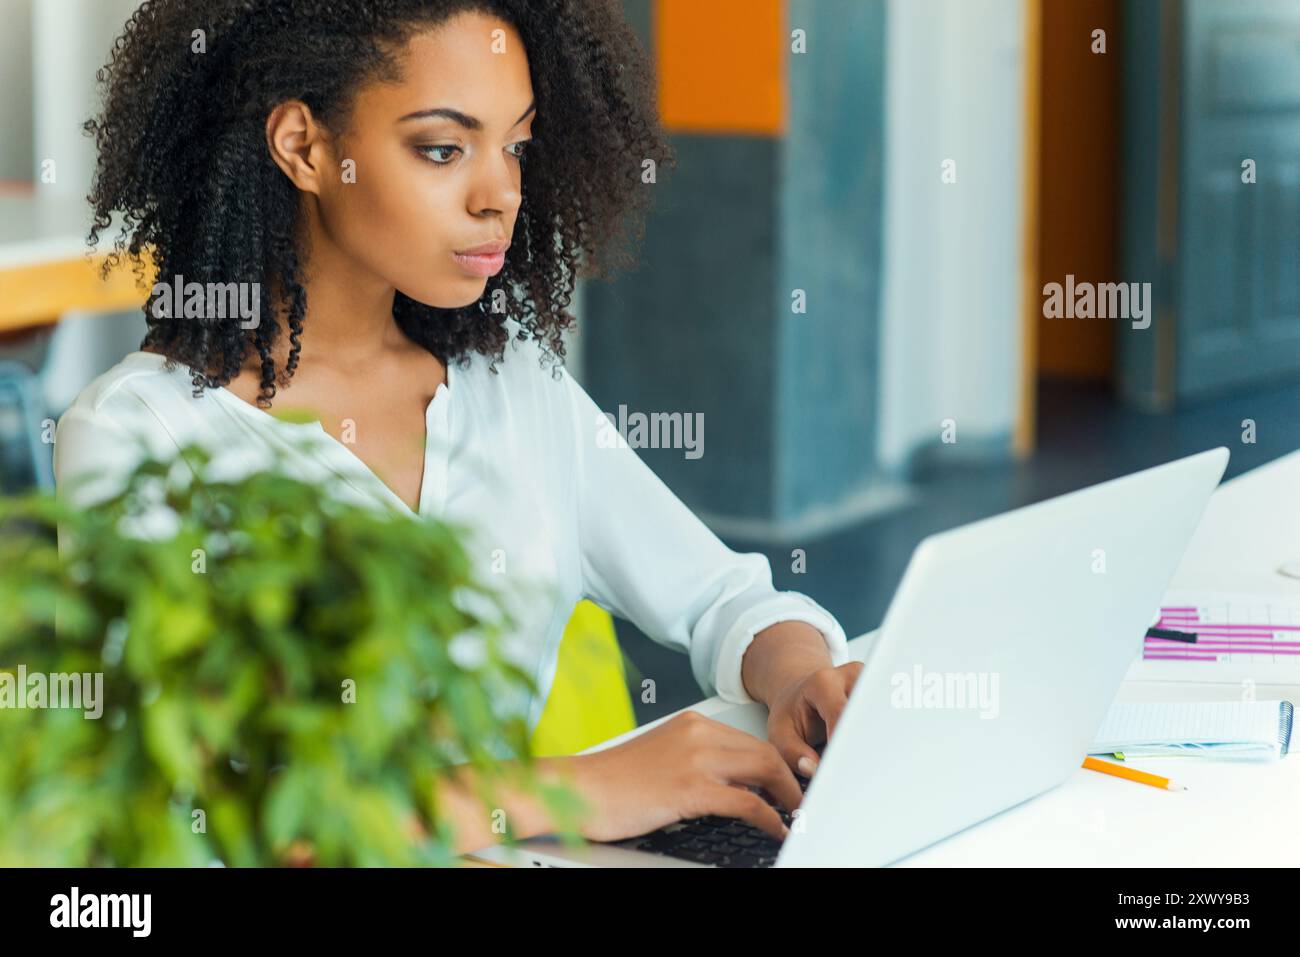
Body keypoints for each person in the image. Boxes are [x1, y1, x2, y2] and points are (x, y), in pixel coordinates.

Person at [57, 0, 861, 856]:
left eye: (514, 146)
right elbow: (200, 805)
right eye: (442, 149)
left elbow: (721, 597)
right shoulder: (136, 433)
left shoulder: (511, 380)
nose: (500, 194)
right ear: (304, 146)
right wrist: (581, 787)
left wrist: (798, 676)